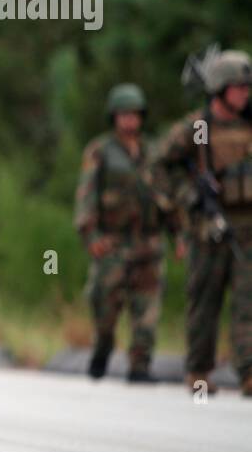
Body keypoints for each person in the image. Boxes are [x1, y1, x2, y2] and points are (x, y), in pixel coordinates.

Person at [156, 50, 252, 396]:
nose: (245, 94)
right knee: (204, 303)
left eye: (247, 88)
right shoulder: (198, 128)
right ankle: (198, 371)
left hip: (247, 230)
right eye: (239, 87)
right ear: (220, 89)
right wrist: (188, 195)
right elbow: (161, 165)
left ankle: (248, 372)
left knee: (248, 302)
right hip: (208, 229)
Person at [73, 84, 183, 382]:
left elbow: (167, 195)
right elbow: (86, 195)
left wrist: (178, 234)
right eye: (124, 114)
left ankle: (140, 365)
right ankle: (103, 347)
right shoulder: (100, 151)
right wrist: (90, 234)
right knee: (105, 308)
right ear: (114, 117)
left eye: (134, 114)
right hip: (114, 243)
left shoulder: (153, 152)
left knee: (147, 309)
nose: (130, 120)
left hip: (148, 242)